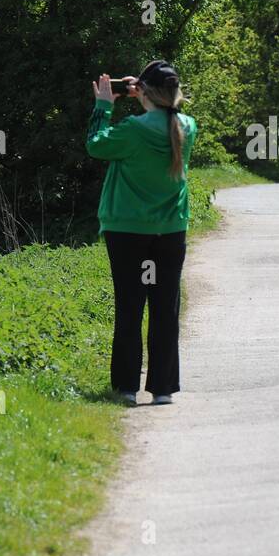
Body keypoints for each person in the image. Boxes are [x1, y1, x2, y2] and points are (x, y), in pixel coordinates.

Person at [87, 60, 198, 405]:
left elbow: (96, 144)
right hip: (170, 230)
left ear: (145, 92)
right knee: (165, 308)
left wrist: (104, 106)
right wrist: (146, 97)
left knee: (130, 307)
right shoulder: (187, 127)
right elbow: (167, 116)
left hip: (127, 230)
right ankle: (162, 389)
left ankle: (127, 389)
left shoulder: (133, 131)